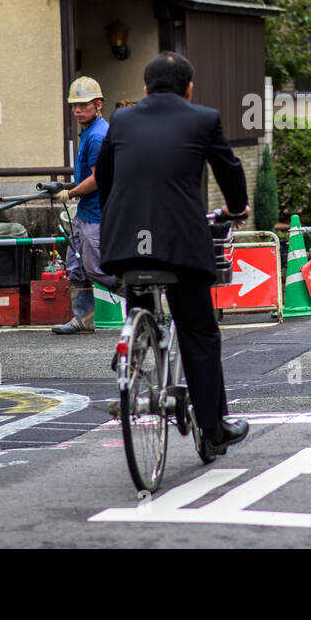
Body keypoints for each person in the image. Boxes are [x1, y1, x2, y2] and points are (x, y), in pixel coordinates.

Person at [95, 52, 250, 458]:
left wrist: (117, 214)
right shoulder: (203, 118)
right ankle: (213, 428)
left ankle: (136, 347)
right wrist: (236, 208)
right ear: (189, 88)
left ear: (145, 89)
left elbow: (105, 173)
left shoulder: (122, 120)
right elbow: (229, 169)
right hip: (181, 245)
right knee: (199, 332)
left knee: (139, 301)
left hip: (127, 244)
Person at [54, 76, 119, 335]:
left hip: (97, 213)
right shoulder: (91, 132)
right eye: (74, 106)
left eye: (83, 105)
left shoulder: (97, 136)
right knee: (76, 266)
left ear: (98, 104)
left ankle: (147, 299)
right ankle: (83, 318)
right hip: (86, 211)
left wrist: (70, 193)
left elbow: (98, 178)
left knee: (96, 268)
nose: (77, 110)